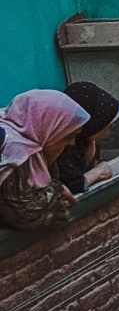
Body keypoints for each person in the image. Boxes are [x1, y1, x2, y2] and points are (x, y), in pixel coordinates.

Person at [0, 89, 90, 230]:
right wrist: (55, 192)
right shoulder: (16, 151)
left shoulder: (21, 127)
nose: (72, 144)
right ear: (47, 128)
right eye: (67, 136)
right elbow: (21, 214)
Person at [54, 81, 119, 195]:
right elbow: (73, 185)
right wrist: (97, 173)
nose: (110, 127)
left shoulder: (87, 140)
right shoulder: (64, 145)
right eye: (107, 124)